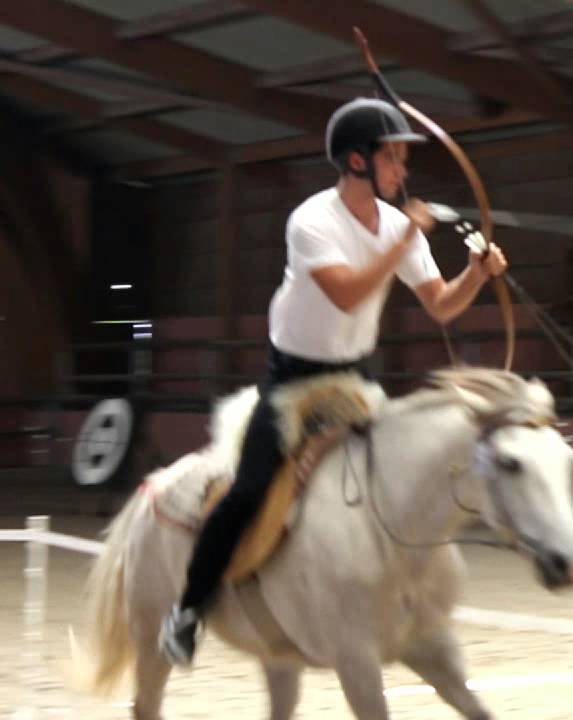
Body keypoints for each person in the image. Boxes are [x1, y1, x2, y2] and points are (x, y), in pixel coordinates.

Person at [159, 97, 508, 667]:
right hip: (293, 381)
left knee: (400, 470)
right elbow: (346, 291)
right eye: (393, 158)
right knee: (247, 491)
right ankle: (188, 611)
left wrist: (475, 272)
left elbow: (442, 306)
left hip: (353, 379)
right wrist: (401, 240)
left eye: (401, 159)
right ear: (355, 162)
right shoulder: (311, 221)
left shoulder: (398, 225)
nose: (403, 170)